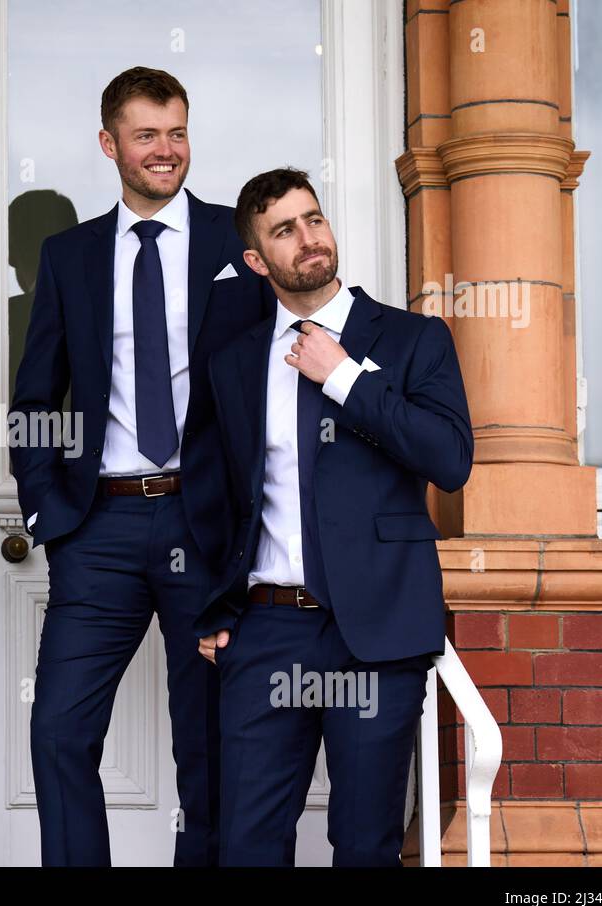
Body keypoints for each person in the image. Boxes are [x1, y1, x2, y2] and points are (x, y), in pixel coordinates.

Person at [9, 66, 274, 866]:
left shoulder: (242, 243)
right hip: (101, 526)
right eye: (147, 135)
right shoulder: (69, 255)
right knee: (58, 730)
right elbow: (35, 394)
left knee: (211, 742)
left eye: (178, 132)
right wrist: (47, 510)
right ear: (109, 144)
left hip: (209, 524)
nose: (167, 150)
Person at [195, 166, 473, 866]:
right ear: (259, 260)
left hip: (376, 635)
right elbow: (209, 497)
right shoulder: (234, 362)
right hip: (266, 632)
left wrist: (345, 375)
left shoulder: (415, 339)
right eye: (284, 230)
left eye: (313, 218)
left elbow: (449, 459)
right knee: (248, 845)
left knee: (365, 843)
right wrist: (214, 608)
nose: (308, 238)